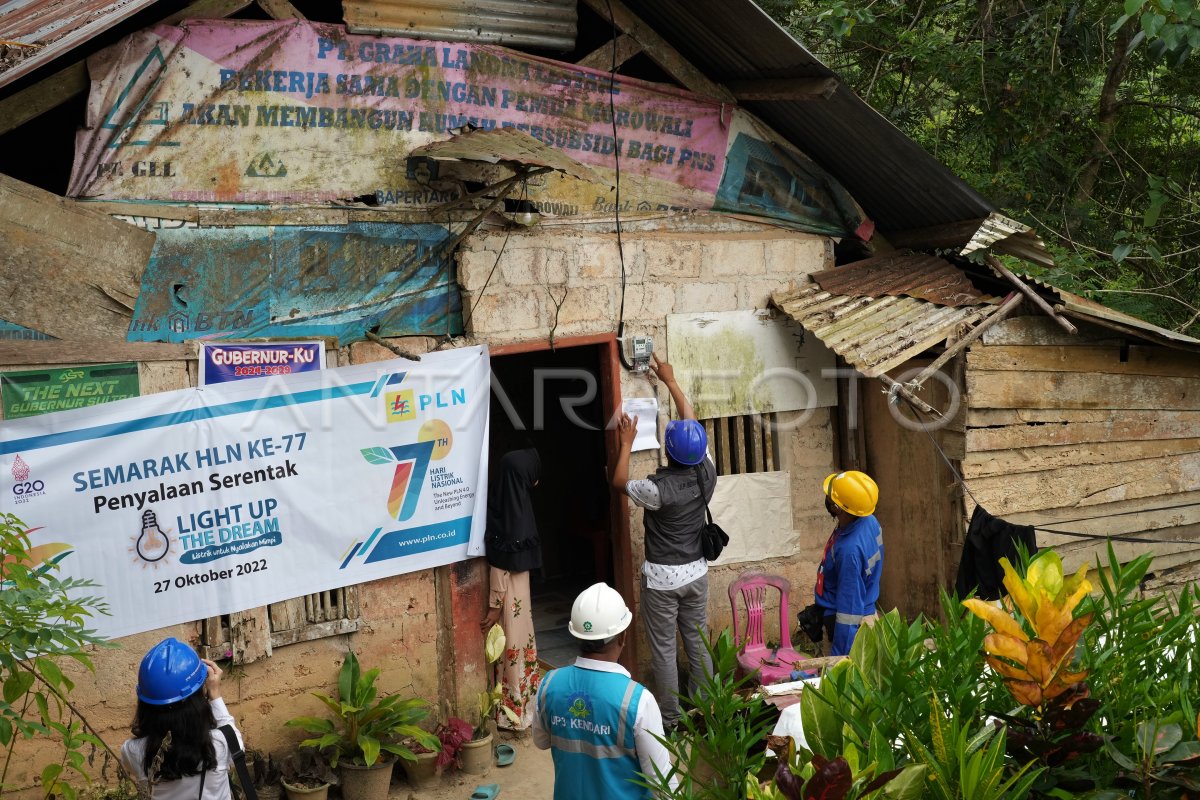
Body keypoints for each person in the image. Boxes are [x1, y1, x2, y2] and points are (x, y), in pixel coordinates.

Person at [610, 354, 714, 729]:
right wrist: (670, 380)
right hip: (696, 575)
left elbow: (619, 482)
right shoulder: (707, 472)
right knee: (697, 642)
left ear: (667, 451)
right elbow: (694, 426)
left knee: (665, 649)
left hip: (663, 580)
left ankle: (671, 720)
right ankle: (704, 711)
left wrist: (624, 444)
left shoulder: (657, 490)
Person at [532, 583, 676, 799]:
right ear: (622, 637)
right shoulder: (637, 700)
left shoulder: (549, 684)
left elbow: (541, 741)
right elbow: (662, 784)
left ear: (577, 636)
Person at [121, 637, 243, 800]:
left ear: (145, 703)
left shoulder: (132, 750)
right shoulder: (219, 744)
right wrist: (214, 693)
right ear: (198, 700)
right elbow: (236, 743)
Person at [480, 446, 543, 730]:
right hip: (509, 596)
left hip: (516, 596)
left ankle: (519, 709)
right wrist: (495, 606)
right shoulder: (515, 513)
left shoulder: (507, 505)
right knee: (513, 649)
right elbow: (500, 564)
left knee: (516, 648)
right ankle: (514, 714)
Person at [814, 470, 884, 656]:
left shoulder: (849, 551)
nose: (827, 497)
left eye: (830, 495)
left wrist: (839, 656)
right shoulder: (868, 520)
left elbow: (849, 611)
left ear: (837, 508)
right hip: (864, 612)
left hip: (851, 628)